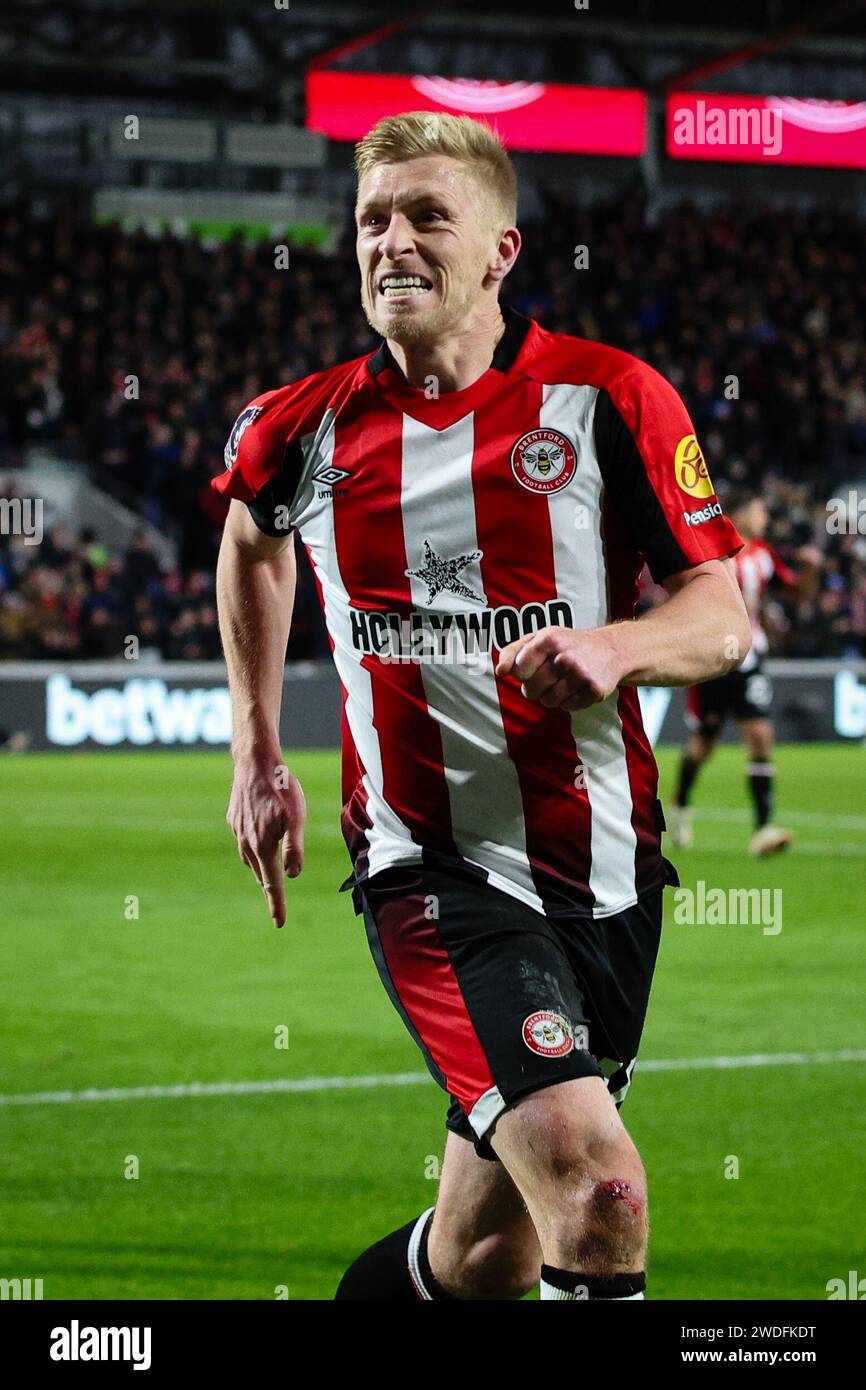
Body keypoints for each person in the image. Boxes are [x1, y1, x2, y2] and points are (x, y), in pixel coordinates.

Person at [213, 112, 750, 1302]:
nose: (390, 243)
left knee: (480, 1254)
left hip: (607, 875)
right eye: (369, 222)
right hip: (434, 874)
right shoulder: (300, 427)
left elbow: (722, 617)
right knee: (596, 1191)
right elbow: (251, 540)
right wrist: (256, 744)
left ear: (503, 249)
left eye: (424, 216)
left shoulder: (610, 399)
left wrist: (619, 645)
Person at [668, 488, 822, 857]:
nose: (764, 519)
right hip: (713, 659)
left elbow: (796, 595)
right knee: (705, 743)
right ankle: (680, 802)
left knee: (760, 734)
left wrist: (812, 569)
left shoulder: (764, 557)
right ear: (738, 515)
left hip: (750, 660)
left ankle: (764, 828)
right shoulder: (712, 552)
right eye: (758, 511)